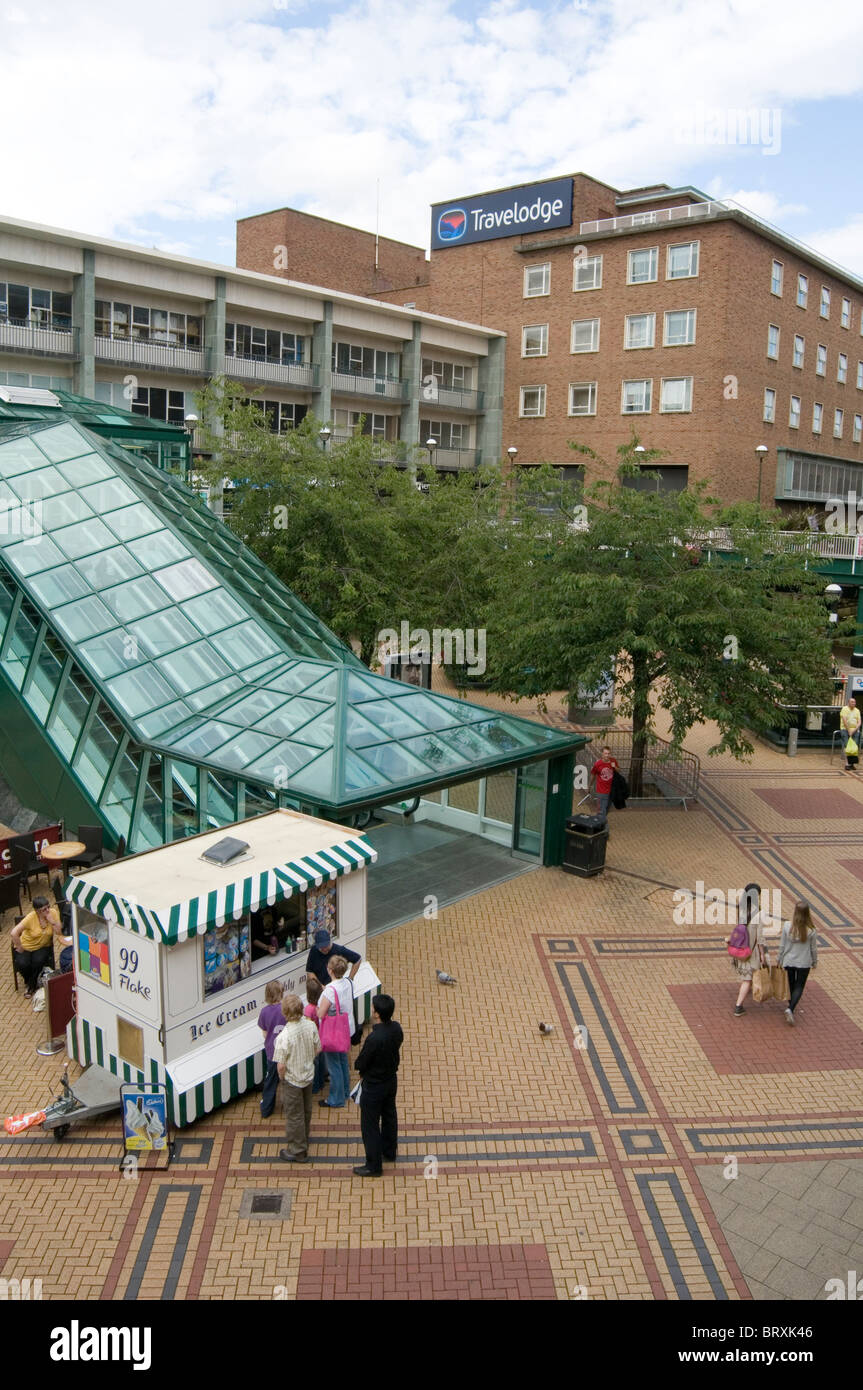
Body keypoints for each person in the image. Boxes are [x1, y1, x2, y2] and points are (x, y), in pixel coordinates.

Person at [353, 993, 403, 1178]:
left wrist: (360, 1067)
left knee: (370, 1125)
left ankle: (373, 1165)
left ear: (377, 1014)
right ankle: (389, 1151)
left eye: (373, 1008)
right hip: (390, 1080)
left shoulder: (374, 1038)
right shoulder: (396, 1029)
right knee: (389, 1116)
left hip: (374, 1086)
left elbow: (361, 1062)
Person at [273, 992, 321, 1164]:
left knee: (294, 1115)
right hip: (308, 1075)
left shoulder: (284, 1036)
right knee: (306, 1110)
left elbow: (281, 1065)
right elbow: (318, 1048)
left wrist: (282, 1078)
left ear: (285, 1012)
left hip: (292, 1079)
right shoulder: (311, 1026)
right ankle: (304, 1137)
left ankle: (298, 1150)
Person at [730, 882, 781, 1017]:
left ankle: (748, 989)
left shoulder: (742, 908)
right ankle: (738, 1006)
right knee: (747, 979)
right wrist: (763, 954)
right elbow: (760, 938)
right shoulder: (758, 913)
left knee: (748, 975)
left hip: (741, 947)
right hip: (751, 952)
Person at [317, 956, 353, 1108]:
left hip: (332, 1033)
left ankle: (336, 1099)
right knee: (343, 1060)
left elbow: (321, 1013)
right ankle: (345, 1091)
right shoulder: (348, 982)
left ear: (330, 970)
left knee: (334, 1065)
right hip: (345, 1028)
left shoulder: (330, 991)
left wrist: (316, 1009)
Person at [11, 896, 65, 996]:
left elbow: (59, 932)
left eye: (48, 907)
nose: (48, 910)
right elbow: (14, 932)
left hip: (42, 946)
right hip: (26, 946)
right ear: (37, 911)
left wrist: (52, 922)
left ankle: (30, 986)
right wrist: (20, 947)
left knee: (38, 962)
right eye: (44, 909)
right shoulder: (30, 918)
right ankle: (31, 981)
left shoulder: (53, 913)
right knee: (22, 964)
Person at [778, 900, 818, 1026]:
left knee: (791, 984)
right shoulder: (811, 930)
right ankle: (790, 1008)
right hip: (804, 962)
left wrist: (779, 959)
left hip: (788, 960)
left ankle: (791, 1006)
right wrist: (815, 962)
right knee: (799, 986)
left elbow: (782, 945)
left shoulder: (787, 926)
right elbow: (813, 949)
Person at [257, 980, 285, 1118]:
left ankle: (266, 1108)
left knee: (270, 1080)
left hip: (272, 1051)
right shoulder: (285, 1009)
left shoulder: (264, 1012)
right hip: (286, 1050)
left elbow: (264, 1033)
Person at [304, 975, 329, 1096]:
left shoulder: (308, 1009)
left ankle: (315, 1086)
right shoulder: (321, 1005)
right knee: (322, 1060)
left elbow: (308, 1026)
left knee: (315, 1062)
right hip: (321, 1036)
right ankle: (322, 1081)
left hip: (313, 1040)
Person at [590, 745, 619, 821]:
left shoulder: (613, 761)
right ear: (602, 754)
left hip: (611, 790)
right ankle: (603, 824)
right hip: (601, 790)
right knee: (602, 809)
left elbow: (619, 770)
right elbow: (593, 775)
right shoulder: (598, 764)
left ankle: (597, 820)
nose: (607, 755)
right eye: (605, 753)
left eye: (609, 753)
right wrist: (590, 785)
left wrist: (614, 767)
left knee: (606, 808)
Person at [840, 696, 861, 772]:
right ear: (848, 702)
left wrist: (854, 730)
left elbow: (859, 722)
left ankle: (852, 764)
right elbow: (844, 720)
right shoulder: (844, 709)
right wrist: (849, 730)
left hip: (855, 730)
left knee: (854, 747)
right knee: (847, 747)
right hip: (845, 729)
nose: (853, 703)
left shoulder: (857, 710)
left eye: (854, 702)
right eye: (852, 702)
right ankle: (847, 764)